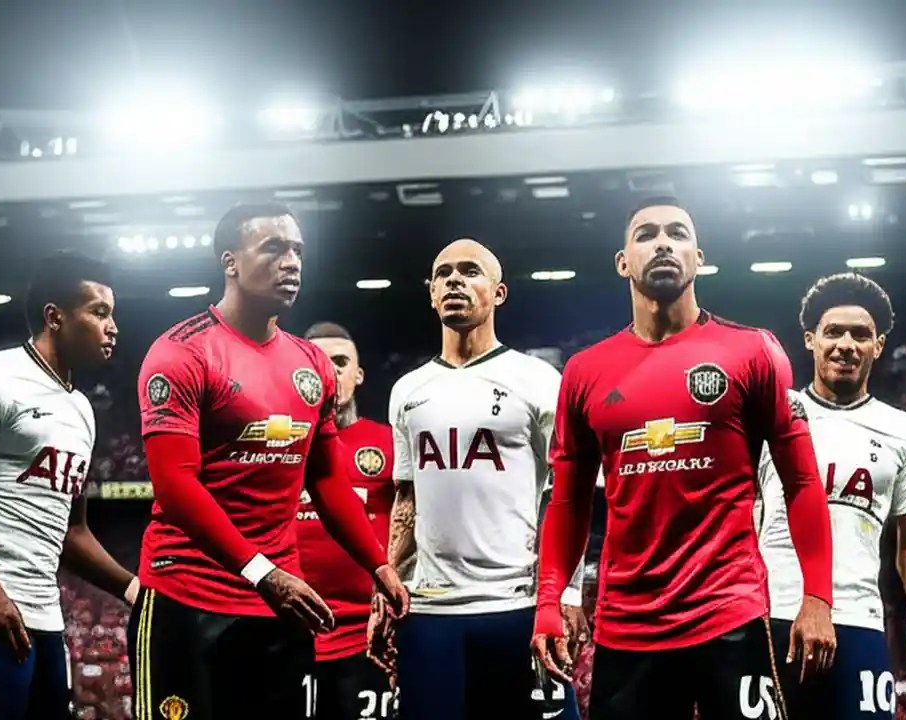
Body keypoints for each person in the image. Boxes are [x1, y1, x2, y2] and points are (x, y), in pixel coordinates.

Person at [532, 196, 836, 720]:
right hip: (627, 624)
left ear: (699, 257)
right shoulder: (585, 373)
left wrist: (819, 598)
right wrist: (549, 602)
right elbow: (567, 503)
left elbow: (803, 483)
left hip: (730, 612)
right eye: (646, 234)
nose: (664, 242)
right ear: (623, 262)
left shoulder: (754, 352)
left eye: (678, 232)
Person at [129, 203, 408, 720]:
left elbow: (325, 478)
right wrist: (263, 572)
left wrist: (379, 564)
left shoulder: (311, 364)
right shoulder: (182, 354)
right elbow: (176, 485)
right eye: (274, 248)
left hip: (276, 607)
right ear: (230, 262)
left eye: (298, 250)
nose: (292, 262)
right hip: (186, 600)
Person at [0, 251, 137, 720]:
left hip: (44, 617)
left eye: (113, 314)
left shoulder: (81, 410)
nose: (113, 327)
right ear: (55, 317)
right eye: (99, 312)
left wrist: (134, 589)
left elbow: (72, 533)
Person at [377, 238, 586, 720]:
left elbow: (566, 496)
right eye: (443, 273)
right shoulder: (407, 391)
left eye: (470, 271)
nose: (454, 280)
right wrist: (386, 590)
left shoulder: (538, 380)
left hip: (520, 605)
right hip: (430, 611)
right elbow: (405, 498)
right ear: (430, 294)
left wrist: (566, 594)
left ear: (498, 293)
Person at [757, 273, 906, 720]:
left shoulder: (904, 432)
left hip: (859, 622)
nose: (846, 344)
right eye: (833, 332)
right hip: (773, 616)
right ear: (810, 340)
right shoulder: (773, 414)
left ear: (878, 346)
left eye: (861, 334)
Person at [296, 321, 398, 719]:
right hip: (290, 636)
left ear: (358, 374)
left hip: (367, 638)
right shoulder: (273, 444)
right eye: (317, 361)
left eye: (340, 362)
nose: (329, 371)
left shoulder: (388, 442)